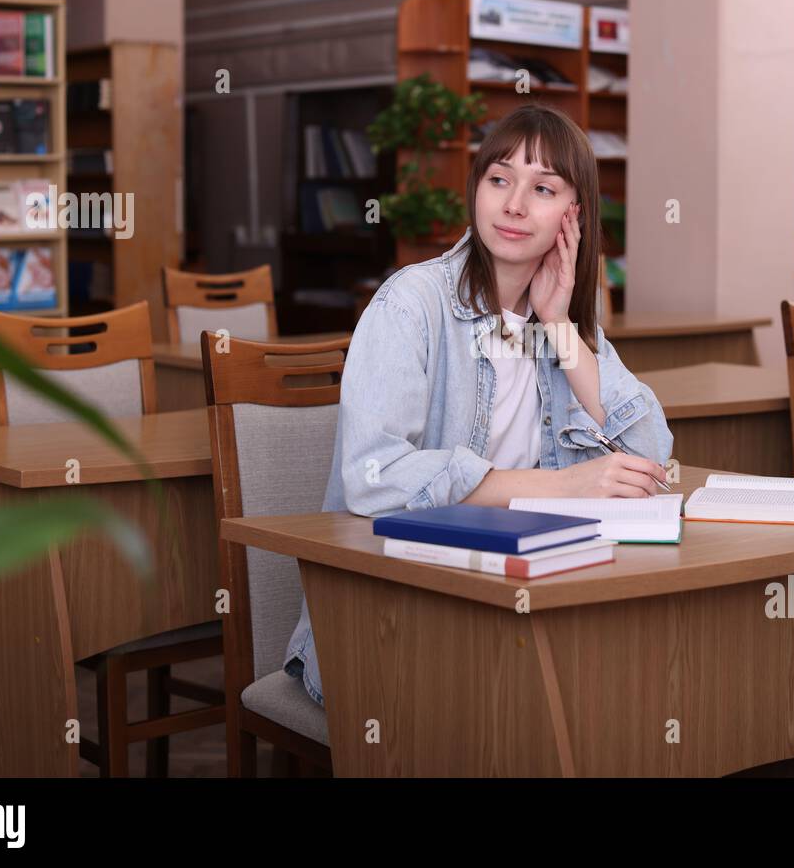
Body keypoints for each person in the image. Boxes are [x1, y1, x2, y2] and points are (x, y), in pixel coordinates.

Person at [285, 104, 674, 703]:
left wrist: (561, 326)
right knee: (548, 704)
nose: (514, 204)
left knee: (626, 683)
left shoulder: (557, 320)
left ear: (574, 216)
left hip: (510, 597)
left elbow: (649, 453)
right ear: (477, 190)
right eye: (499, 180)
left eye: (542, 188)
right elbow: (374, 476)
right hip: (388, 612)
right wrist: (563, 487)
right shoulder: (410, 304)